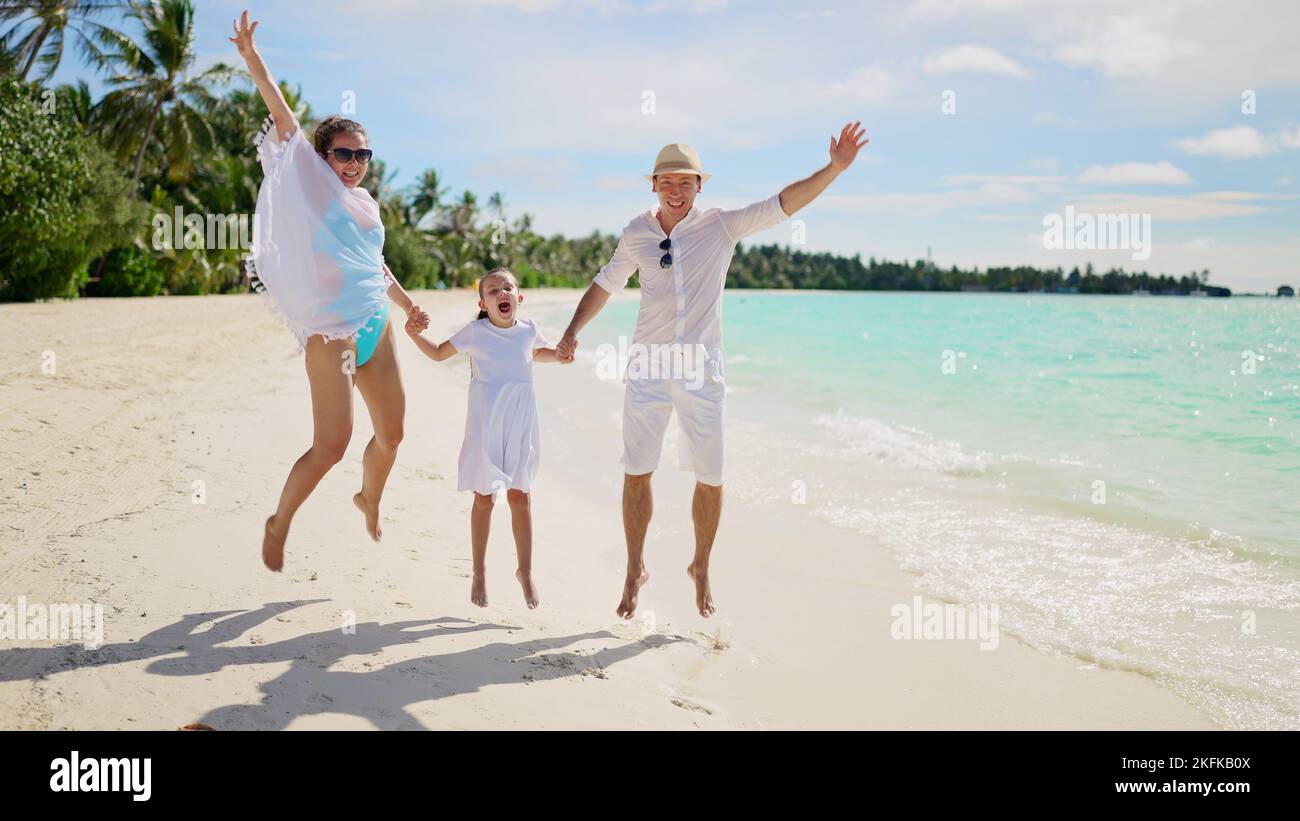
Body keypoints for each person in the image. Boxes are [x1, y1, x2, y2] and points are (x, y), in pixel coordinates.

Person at [555, 126, 870, 618]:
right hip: (648, 370)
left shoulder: (721, 225)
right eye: (666, 181)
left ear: (700, 185)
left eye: (686, 182)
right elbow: (604, 283)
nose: (676, 191)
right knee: (637, 471)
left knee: (711, 477)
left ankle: (700, 565)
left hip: (702, 373)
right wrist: (573, 330)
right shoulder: (636, 233)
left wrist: (834, 169)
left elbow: (782, 203)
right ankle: (635, 566)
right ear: (653, 185)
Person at [231, 11, 430, 572]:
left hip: (375, 323)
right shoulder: (314, 187)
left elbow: (374, 264)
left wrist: (408, 304)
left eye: (363, 155)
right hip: (331, 333)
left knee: (392, 436)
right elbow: (284, 118)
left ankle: (369, 497)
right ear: (323, 159)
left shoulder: (365, 205)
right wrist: (253, 59)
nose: (354, 163)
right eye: (344, 153)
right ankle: (280, 522)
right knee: (332, 446)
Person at [405, 268, 569, 608]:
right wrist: (413, 334)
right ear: (483, 302)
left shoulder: (529, 330)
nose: (501, 293)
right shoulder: (476, 332)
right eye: (493, 290)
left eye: (507, 287)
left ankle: (524, 571)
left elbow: (538, 353)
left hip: (521, 420)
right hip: (486, 421)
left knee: (521, 497)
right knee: (484, 498)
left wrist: (561, 355)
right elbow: (438, 353)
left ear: (519, 297)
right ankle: (479, 571)